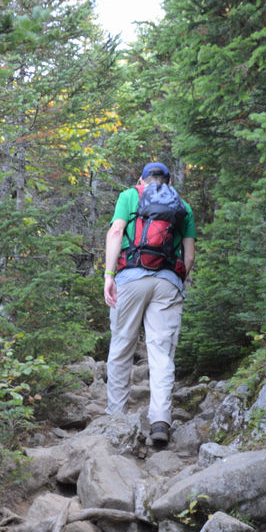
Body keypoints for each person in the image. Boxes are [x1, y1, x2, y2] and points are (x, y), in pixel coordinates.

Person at [104, 161, 196, 446]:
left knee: (122, 346)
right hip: (167, 281)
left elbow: (117, 231)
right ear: (168, 181)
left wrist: (109, 275)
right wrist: (178, 279)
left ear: (141, 179)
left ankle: (116, 418)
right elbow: (189, 255)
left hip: (130, 277)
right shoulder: (183, 206)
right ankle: (160, 421)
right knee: (161, 352)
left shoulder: (130, 195)